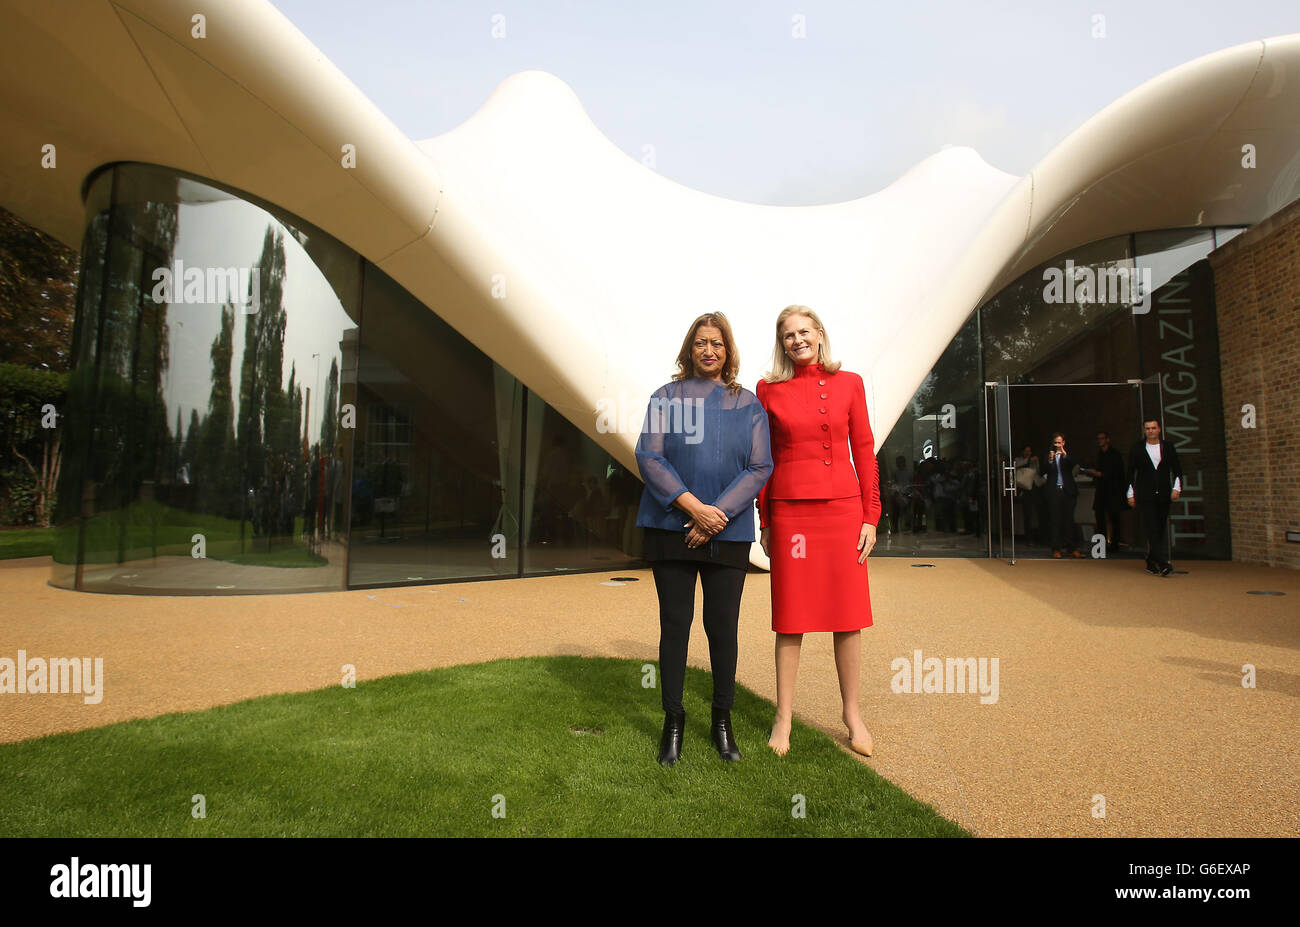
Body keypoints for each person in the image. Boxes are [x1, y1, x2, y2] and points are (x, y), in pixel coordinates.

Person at [635, 312, 772, 766]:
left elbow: (759, 467)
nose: (708, 350)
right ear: (688, 350)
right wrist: (693, 508)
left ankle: (721, 722)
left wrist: (717, 516)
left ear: (728, 351)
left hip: (728, 531)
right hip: (670, 525)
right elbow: (649, 456)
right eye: (700, 343)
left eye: (716, 343)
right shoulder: (665, 397)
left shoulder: (748, 404)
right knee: (675, 626)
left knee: (722, 628)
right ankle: (672, 722)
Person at [756, 305, 880, 757]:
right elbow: (763, 458)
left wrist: (870, 515)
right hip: (791, 513)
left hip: (844, 512)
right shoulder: (767, 389)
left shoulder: (851, 383)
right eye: (788, 334)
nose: (797, 340)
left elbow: (864, 449)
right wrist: (765, 519)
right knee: (791, 618)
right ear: (781, 342)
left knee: (848, 617)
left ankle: (852, 714)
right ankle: (783, 716)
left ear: (820, 334)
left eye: (804, 331)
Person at [1126, 418, 1183, 576]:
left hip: (1164, 493)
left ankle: (1151, 560)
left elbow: (1177, 469)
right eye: (1147, 428)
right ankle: (1163, 563)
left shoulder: (1168, 447)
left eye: (1153, 428)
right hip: (1145, 494)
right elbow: (1130, 473)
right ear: (1145, 431)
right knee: (1151, 528)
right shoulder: (1137, 448)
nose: (1150, 431)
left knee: (1159, 528)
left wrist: (1176, 488)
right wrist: (1130, 494)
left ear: (1159, 429)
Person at [1043, 432, 1085, 558]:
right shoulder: (1048, 456)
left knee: (1069, 520)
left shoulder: (1067, 455)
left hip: (1068, 491)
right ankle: (1056, 549)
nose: (1057, 445)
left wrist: (1064, 454)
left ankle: (1071, 548)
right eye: (1055, 442)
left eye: (1060, 442)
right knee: (1055, 520)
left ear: (1064, 443)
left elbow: (1073, 464)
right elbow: (1042, 471)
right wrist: (1050, 460)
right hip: (1054, 491)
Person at [1084, 431, 1126, 553]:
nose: (1100, 441)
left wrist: (1101, 474)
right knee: (1100, 517)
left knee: (1114, 518)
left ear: (1107, 439)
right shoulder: (1100, 454)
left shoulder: (1115, 454)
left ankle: (1114, 543)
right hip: (1101, 489)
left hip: (1113, 490)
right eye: (1098, 439)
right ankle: (1102, 545)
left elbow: (1118, 472)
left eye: (1102, 438)